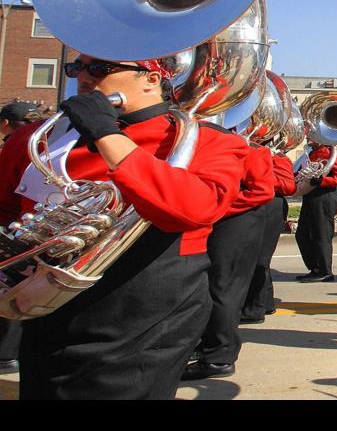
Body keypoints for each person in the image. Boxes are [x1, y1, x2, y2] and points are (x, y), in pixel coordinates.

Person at [0, 54, 248, 398]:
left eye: (100, 68)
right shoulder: (36, 138)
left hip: (144, 308)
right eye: (77, 68)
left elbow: (192, 209)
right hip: (48, 300)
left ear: (151, 78)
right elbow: (6, 209)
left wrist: (105, 134)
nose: (84, 77)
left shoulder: (208, 141)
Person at [184, 132, 292, 380]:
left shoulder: (251, 148)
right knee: (207, 286)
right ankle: (206, 344)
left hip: (234, 222)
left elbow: (262, 191)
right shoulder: (204, 140)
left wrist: (214, 207)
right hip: (213, 220)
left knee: (223, 288)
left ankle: (218, 356)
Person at [0, 102, 39, 373]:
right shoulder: (46, 137)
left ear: (5, 123)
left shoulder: (23, 140)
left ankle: (5, 355)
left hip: (16, 229)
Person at [238, 147, 296, 324]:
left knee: (260, 259)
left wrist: (258, 173)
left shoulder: (278, 158)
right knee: (256, 258)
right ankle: (266, 303)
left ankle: (254, 309)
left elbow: (288, 186)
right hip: (255, 204)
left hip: (271, 205)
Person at [292, 140, 337, 281]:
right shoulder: (309, 153)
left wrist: (321, 181)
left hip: (325, 195)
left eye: (312, 134)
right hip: (310, 195)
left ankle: (325, 271)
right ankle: (315, 267)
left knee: (321, 233)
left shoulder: (333, 155)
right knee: (302, 234)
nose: (308, 137)